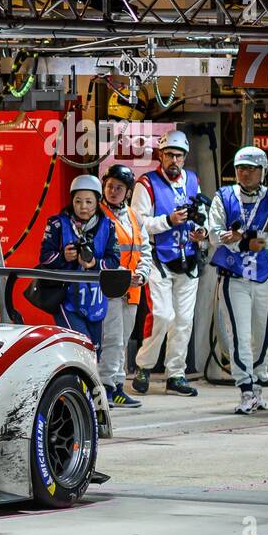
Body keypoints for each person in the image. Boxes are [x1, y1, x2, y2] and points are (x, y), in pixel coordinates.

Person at [208, 146, 268, 414]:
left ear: (263, 171)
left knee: (263, 333)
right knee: (238, 334)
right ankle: (245, 388)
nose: (245, 173)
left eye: (251, 169)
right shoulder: (223, 196)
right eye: (241, 168)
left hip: (267, 273)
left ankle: (257, 386)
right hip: (234, 275)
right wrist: (246, 242)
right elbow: (215, 233)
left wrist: (247, 237)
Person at [132, 130, 207, 396]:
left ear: (185, 157)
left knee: (184, 320)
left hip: (187, 258)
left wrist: (202, 231)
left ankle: (176, 374)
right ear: (160, 156)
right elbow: (137, 223)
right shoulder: (146, 183)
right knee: (163, 315)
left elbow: (201, 215)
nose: (174, 160)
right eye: (169, 155)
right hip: (157, 258)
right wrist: (168, 221)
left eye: (178, 155)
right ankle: (144, 365)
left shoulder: (192, 180)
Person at [39, 175, 120, 348]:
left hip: (96, 300)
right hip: (66, 298)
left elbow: (114, 260)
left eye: (89, 202)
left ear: (98, 201)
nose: (83, 207)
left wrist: (94, 264)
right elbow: (44, 258)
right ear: (72, 201)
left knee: (95, 350)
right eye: (78, 201)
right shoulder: (57, 224)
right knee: (81, 346)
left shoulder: (109, 225)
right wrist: (63, 257)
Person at [98, 165, 152, 408]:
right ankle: (106, 387)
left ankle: (118, 386)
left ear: (128, 192)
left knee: (122, 339)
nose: (113, 191)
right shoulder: (97, 215)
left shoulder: (134, 217)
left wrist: (142, 274)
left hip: (131, 290)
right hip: (108, 289)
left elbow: (145, 251)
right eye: (110, 186)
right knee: (111, 339)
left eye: (119, 188)